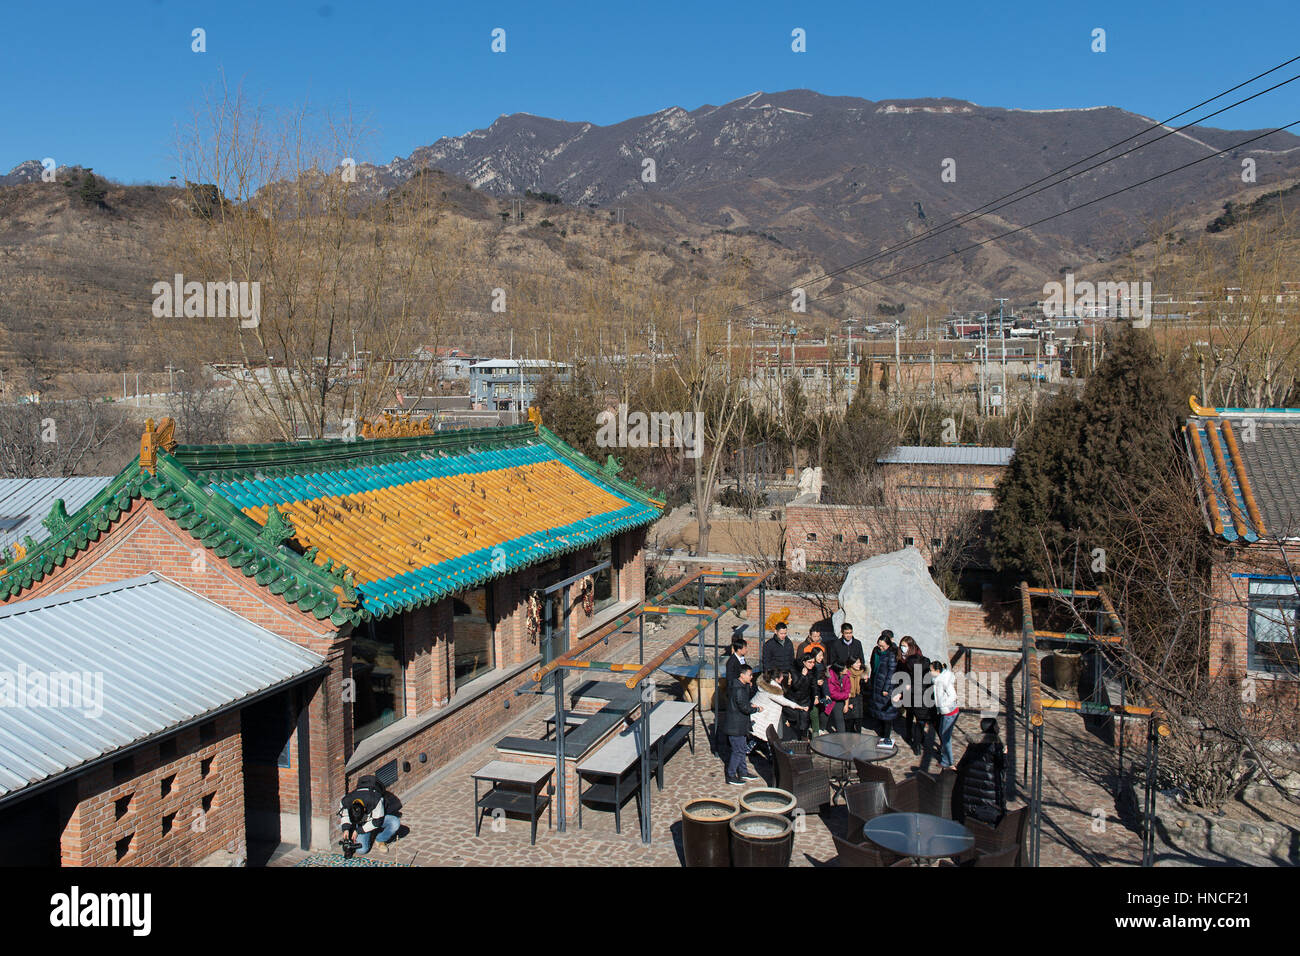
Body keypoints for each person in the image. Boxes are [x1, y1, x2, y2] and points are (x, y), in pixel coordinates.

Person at [953, 718, 1007, 824]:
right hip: (989, 795)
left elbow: (961, 765)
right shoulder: (996, 746)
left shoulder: (973, 744)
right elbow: (1002, 766)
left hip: (970, 795)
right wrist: (1005, 755)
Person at [338, 774, 401, 856]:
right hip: (363, 823)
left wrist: (358, 831)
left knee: (395, 823)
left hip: (376, 818)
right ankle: (369, 832)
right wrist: (346, 829)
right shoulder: (346, 801)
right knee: (361, 850)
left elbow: (377, 822)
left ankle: (380, 839)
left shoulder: (376, 800)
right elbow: (345, 815)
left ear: (364, 809)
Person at [724, 665, 762, 785]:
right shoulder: (739, 689)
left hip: (739, 725)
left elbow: (742, 703)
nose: (751, 677)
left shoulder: (739, 686)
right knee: (738, 751)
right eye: (750, 675)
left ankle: (743, 772)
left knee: (741, 749)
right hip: (736, 726)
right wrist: (757, 709)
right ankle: (731, 775)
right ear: (742, 675)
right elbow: (744, 708)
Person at [751, 671, 808, 748]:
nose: (791, 680)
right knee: (768, 739)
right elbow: (785, 702)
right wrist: (800, 707)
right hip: (762, 718)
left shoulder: (769, 686)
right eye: (789, 678)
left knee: (764, 738)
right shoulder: (773, 691)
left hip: (764, 717)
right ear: (778, 679)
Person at [828, 622, 866, 730]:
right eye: (846, 633)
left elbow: (861, 660)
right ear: (842, 633)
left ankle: (856, 726)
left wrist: (862, 672)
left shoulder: (857, 643)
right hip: (842, 674)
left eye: (850, 633)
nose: (849, 635)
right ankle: (846, 726)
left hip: (854, 675)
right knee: (845, 701)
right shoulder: (836, 644)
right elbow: (832, 661)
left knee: (855, 702)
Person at [896, 636, 930, 756]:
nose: (902, 648)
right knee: (910, 714)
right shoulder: (903, 658)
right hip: (911, 691)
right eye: (902, 645)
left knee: (919, 718)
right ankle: (911, 735)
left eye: (905, 646)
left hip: (917, 693)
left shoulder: (916, 659)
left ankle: (917, 742)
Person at [865, 631, 901, 749]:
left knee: (887, 714)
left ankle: (886, 736)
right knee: (880, 711)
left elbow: (891, 673)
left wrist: (886, 688)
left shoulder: (891, 655)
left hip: (886, 687)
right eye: (879, 645)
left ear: (888, 645)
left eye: (882, 646)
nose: (880, 648)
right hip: (878, 684)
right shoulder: (878, 652)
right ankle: (881, 731)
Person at [931, 659, 960, 769]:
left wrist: (943, 704)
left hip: (949, 712)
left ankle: (948, 762)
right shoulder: (939, 679)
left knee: (945, 738)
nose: (930, 672)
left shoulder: (943, 681)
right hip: (946, 712)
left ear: (938, 670)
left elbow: (953, 695)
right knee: (943, 735)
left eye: (931, 670)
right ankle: (945, 759)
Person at [786, 654, 818, 740]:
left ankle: (803, 740)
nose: (812, 664)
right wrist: (803, 676)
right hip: (794, 698)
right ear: (804, 662)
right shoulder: (795, 670)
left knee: (804, 722)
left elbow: (814, 685)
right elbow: (796, 686)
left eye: (813, 662)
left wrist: (816, 696)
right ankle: (794, 739)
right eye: (809, 662)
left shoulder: (813, 670)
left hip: (805, 698)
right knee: (794, 721)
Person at [823, 662, 853, 733]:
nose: (847, 669)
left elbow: (847, 689)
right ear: (840, 671)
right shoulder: (830, 677)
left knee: (840, 721)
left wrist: (846, 704)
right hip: (830, 699)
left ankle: (841, 736)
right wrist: (846, 696)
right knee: (823, 718)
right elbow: (833, 693)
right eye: (845, 669)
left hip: (841, 700)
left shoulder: (846, 675)